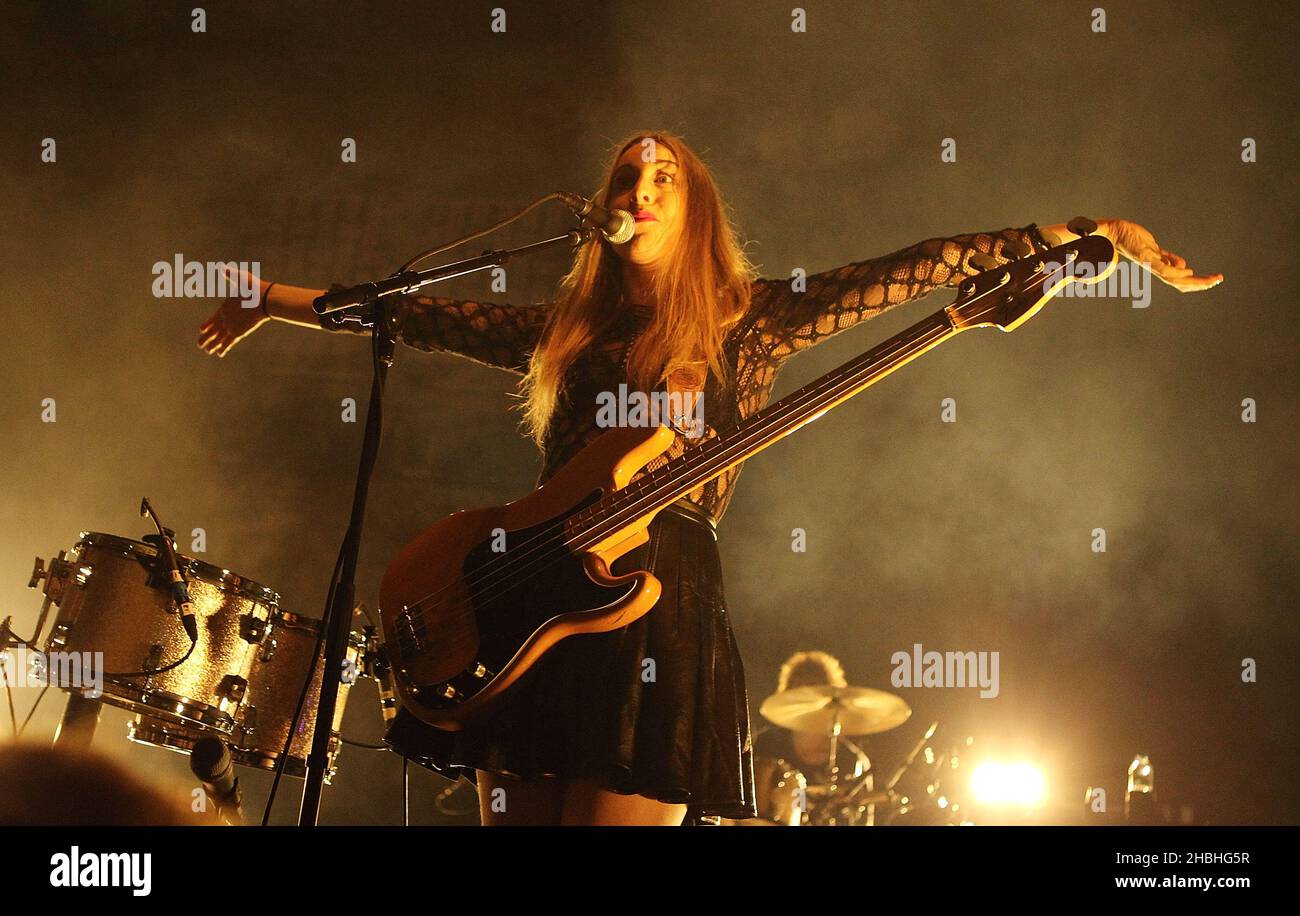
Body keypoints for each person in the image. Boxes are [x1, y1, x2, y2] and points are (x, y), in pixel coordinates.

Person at [198, 131, 1222, 825]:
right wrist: (271, 298)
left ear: (694, 208)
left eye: (662, 180)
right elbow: (412, 314)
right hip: (530, 599)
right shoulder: (572, 329)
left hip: (657, 598)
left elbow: (918, 264)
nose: (636, 194)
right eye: (623, 181)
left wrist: (1076, 233)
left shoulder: (752, 318)